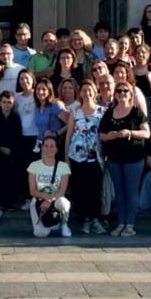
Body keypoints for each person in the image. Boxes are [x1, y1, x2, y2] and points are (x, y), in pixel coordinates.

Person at [99, 81, 151, 237]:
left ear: (130, 94)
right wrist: (110, 136)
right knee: (119, 192)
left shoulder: (136, 112)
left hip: (133, 157)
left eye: (125, 91)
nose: (122, 94)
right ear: (115, 94)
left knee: (131, 191)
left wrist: (129, 132)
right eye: (119, 91)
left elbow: (146, 133)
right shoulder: (109, 112)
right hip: (114, 157)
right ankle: (120, 223)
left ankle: (130, 224)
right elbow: (101, 134)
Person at [64, 80, 106, 234]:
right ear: (80, 93)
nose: (86, 93)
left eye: (89, 90)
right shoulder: (75, 112)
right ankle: (85, 221)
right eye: (84, 90)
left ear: (94, 92)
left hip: (96, 157)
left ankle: (96, 220)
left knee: (95, 190)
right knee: (80, 190)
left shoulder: (103, 111)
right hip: (77, 156)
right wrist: (67, 157)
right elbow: (69, 135)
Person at [28, 136, 72, 238]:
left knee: (64, 203)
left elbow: (62, 190)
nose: (49, 149)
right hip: (38, 201)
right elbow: (32, 190)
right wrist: (44, 197)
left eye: (52, 146)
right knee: (40, 234)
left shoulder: (63, 166)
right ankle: (53, 224)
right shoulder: (34, 165)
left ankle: (64, 224)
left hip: (56, 199)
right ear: (42, 148)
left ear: (56, 149)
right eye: (46, 146)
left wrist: (49, 200)